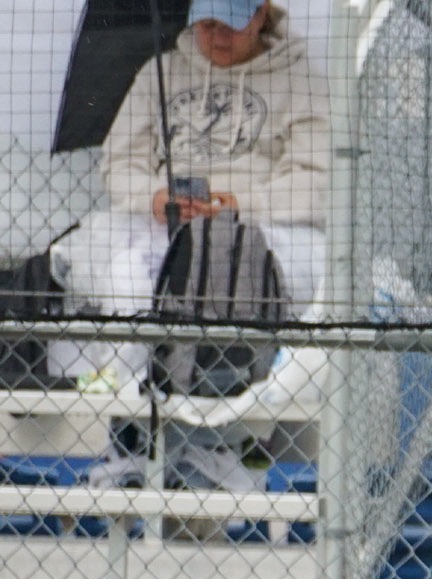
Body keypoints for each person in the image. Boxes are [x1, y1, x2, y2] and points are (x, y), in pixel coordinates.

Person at [53, 0, 328, 489]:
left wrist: (236, 203)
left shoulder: (302, 79)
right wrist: (154, 197)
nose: (215, 35)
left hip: (259, 225)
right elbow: (119, 164)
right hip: (163, 224)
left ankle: (225, 444)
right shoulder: (160, 72)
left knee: (241, 275)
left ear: (262, 15)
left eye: (229, 24)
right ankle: (135, 439)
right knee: (127, 274)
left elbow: (316, 183)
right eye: (205, 24)